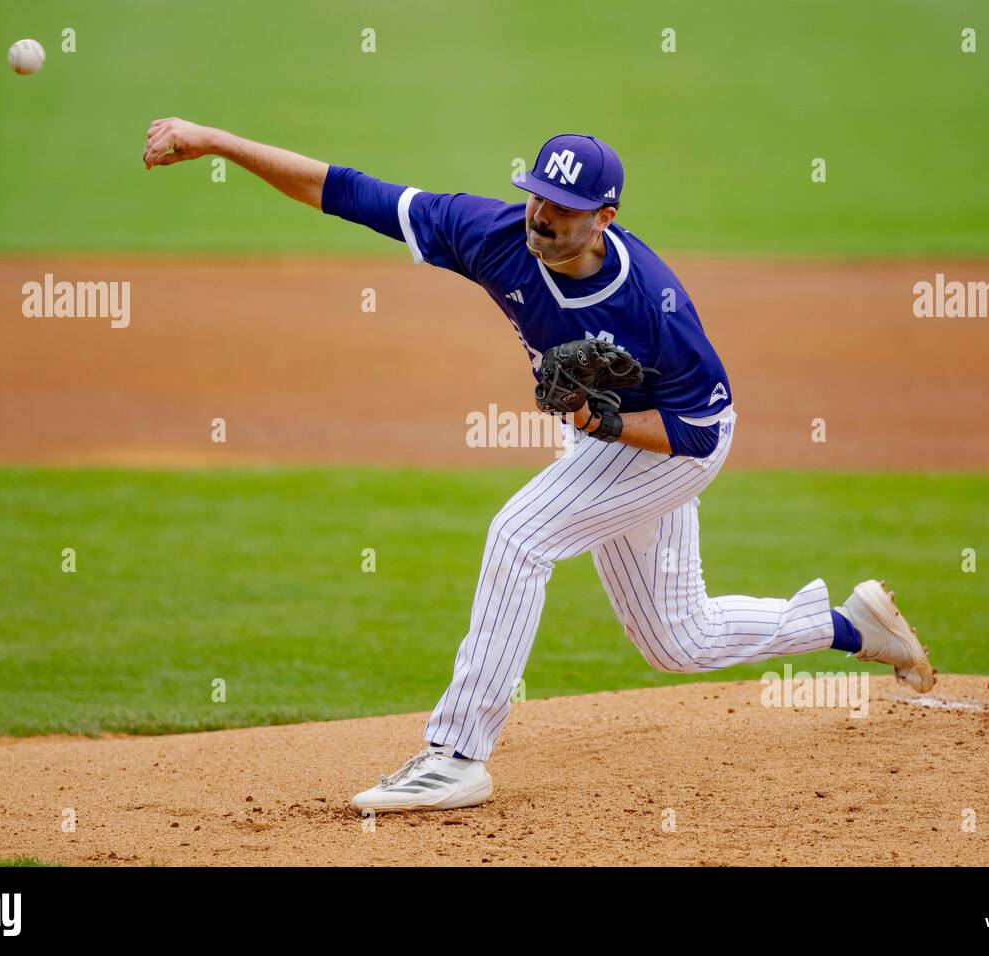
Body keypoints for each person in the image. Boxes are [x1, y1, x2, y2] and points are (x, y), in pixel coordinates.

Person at [143, 119, 936, 814]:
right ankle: (851, 627)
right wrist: (214, 140)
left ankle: (454, 757)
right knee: (677, 641)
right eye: (535, 196)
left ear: (606, 219)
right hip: (611, 440)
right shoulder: (491, 234)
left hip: (677, 444)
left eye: (563, 209)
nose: (542, 216)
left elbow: (701, 430)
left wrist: (610, 420)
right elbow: (347, 191)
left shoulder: (654, 306)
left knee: (520, 536)